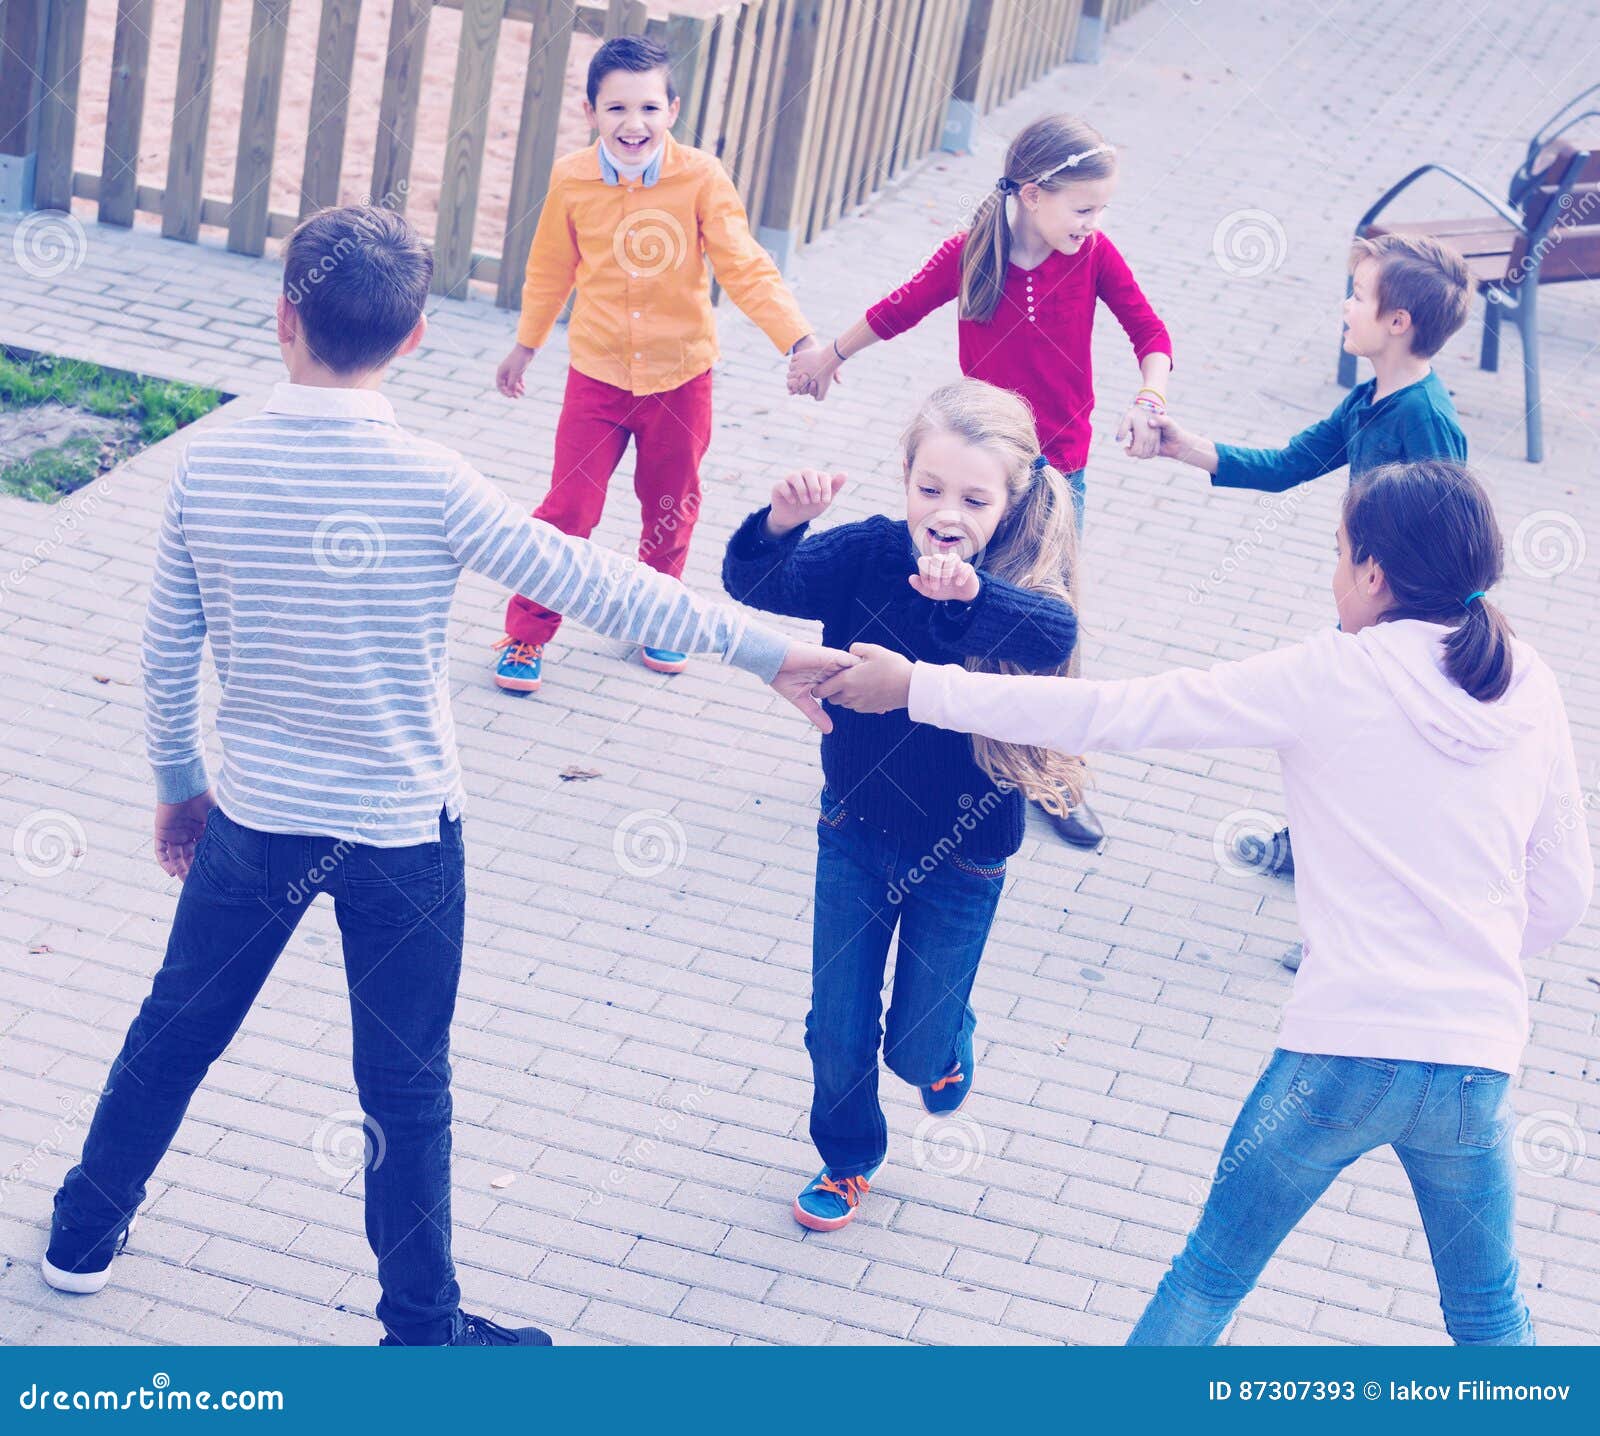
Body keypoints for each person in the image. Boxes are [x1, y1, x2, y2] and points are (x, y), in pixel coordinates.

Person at [41, 205, 852, 1347]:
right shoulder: (432, 478)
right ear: (416, 338)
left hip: (255, 820)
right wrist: (769, 651)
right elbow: (597, 582)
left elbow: (169, 651)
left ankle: (81, 1235)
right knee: (406, 1089)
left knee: (174, 1026)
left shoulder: (206, 462)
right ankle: (422, 1327)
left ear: (283, 320)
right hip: (401, 834)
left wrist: (178, 782)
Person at [821, 458, 1591, 1344]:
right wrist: (1466, 955)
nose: (1333, 576)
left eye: (1340, 556)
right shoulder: (1527, 679)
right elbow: (1564, 891)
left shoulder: (1330, 674)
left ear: (1375, 575)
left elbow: (1116, 712)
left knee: (1210, 1281)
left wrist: (919, 687)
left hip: (1340, 1054)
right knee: (1492, 1318)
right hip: (1474, 1063)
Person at [722, 380, 1080, 1231]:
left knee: (915, 1046)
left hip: (964, 855)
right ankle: (847, 1158)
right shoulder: (871, 554)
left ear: (1012, 500)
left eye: (972, 497)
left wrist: (969, 598)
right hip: (851, 828)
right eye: (929, 489)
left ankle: (943, 1036)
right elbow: (754, 580)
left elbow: (1053, 636)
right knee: (836, 1023)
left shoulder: (1015, 583)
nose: (945, 512)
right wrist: (780, 521)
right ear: (905, 478)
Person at [787, 113, 1174, 852]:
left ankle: (1052, 769)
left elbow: (1150, 335)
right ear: (1032, 194)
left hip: (1055, 478)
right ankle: (916, 745)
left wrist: (1149, 399)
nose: (1094, 223)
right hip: (972, 479)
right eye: (1084, 208)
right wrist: (829, 355)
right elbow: (898, 309)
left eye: (1101, 211)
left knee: (1042, 622)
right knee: (945, 597)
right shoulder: (972, 254)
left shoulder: (1093, 257)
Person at [492, 35, 821, 693]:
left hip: (681, 378)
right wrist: (526, 344)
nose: (632, 124)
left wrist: (800, 341)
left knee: (669, 505)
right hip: (597, 377)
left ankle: (659, 616)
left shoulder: (700, 178)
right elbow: (551, 268)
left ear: (671, 109)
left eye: (648, 107)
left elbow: (744, 267)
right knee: (569, 510)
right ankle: (526, 632)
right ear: (591, 112)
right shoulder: (572, 179)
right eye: (616, 108)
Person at [1151, 233, 1472, 890]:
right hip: (1366, 605)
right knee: (1338, 731)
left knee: (1371, 745)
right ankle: (1316, 848)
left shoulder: (1427, 418)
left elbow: (1454, 534)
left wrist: (1432, 630)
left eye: (1358, 297)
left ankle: (1356, 880)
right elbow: (1291, 464)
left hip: (1406, 618)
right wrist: (1185, 448)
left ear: (1398, 323)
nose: (1346, 308)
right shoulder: (1367, 402)